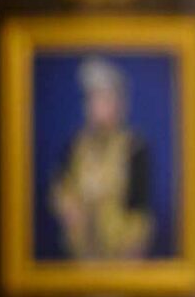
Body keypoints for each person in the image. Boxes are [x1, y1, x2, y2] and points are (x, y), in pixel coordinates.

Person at [50, 57, 154, 260]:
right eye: (92, 100)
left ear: (118, 104)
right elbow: (61, 186)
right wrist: (67, 206)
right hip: (81, 251)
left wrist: (132, 244)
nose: (96, 107)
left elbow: (140, 209)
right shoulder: (76, 146)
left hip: (122, 251)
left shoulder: (135, 147)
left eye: (104, 100)